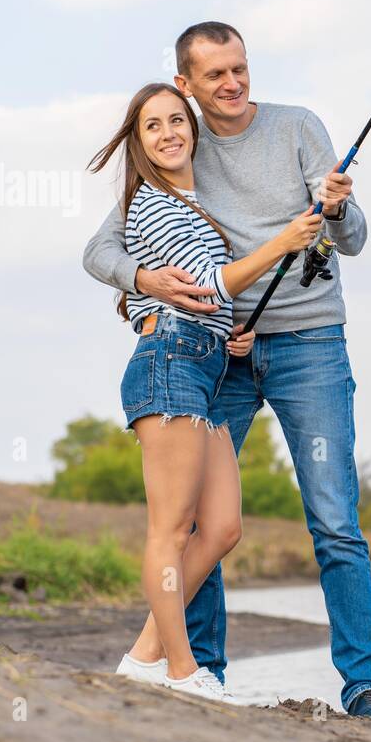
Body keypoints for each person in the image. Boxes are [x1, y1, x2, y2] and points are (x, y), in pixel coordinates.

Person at [84, 22, 371, 717]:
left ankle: (364, 686)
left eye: (240, 69)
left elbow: (355, 240)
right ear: (187, 85)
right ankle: (202, 674)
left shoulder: (297, 129)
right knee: (199, 522)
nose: (231, 85)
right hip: (217, 355)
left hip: (310, 342)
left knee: (335, 520)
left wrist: (338, 210)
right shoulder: (176, 150)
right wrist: (146, 281)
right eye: (215, 75)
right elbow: (103, 248)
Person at [86, 81, 322, 703]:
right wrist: (280, 244)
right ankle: (184, 672)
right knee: (171, 528)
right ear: (138, 145)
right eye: (151, 127)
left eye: (175, 121)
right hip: (169, 362)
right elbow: (211, 284)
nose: (167, 134)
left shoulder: (196, 202)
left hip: (206, 362)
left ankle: (142, 655)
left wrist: (230, 332)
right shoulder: (155, 206)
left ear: (192, 126)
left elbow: (207, 299)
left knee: (220, 529)